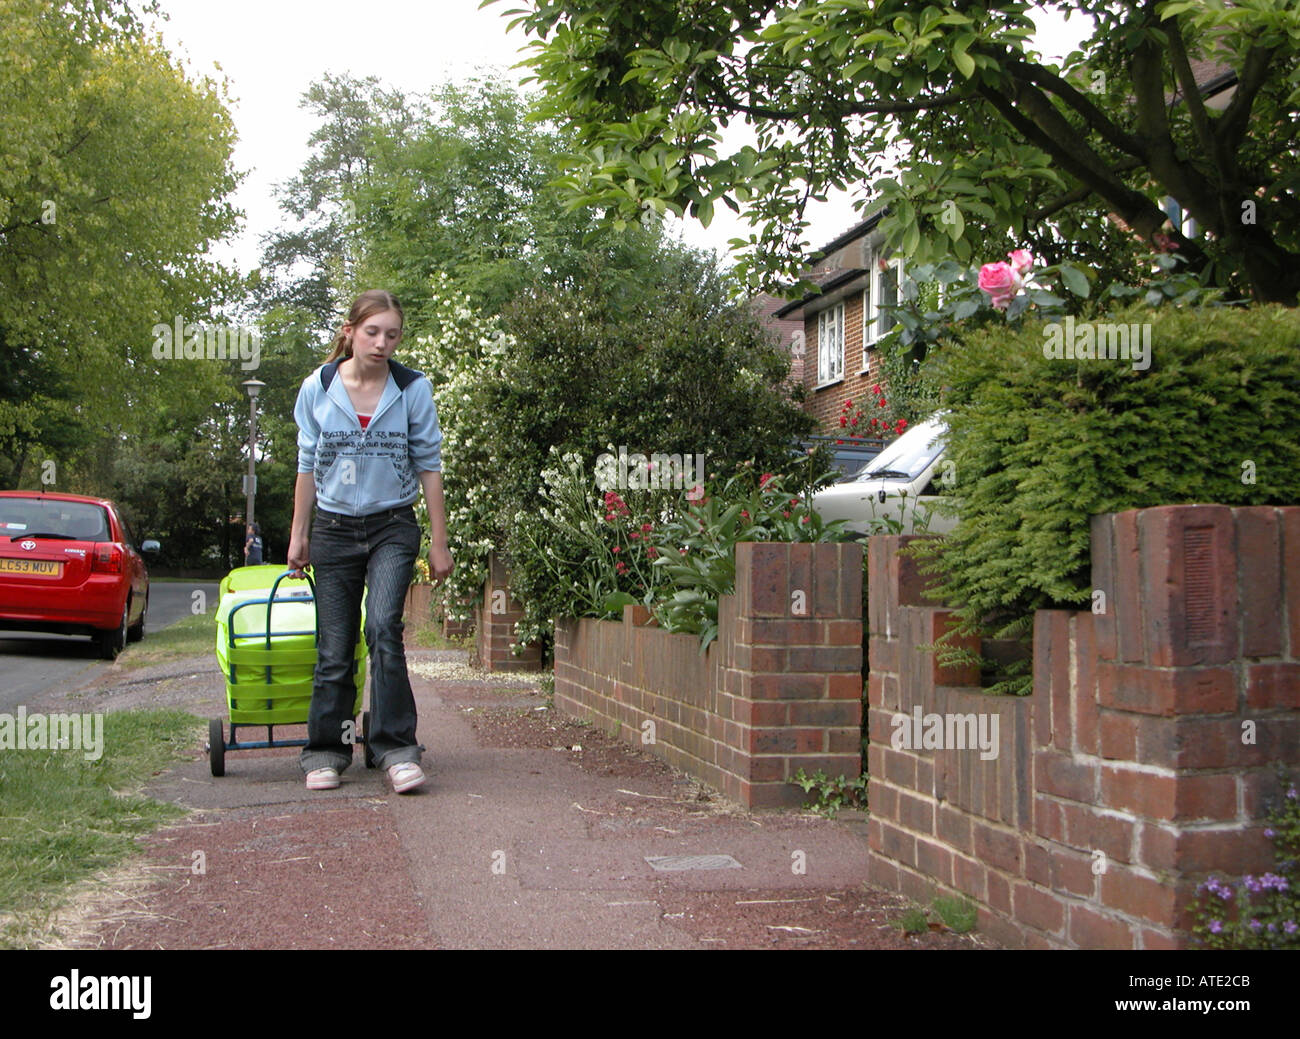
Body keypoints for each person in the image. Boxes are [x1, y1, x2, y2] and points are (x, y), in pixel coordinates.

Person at [287, 289, 454, 794]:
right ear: (350, 331)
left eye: (392, 334)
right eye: (372, 331)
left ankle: (395, 749)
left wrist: (439, 542)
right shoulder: (317, 388)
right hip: (333, 532)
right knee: (335, 647)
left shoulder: (412, 389)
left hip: (391, 527)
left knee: (383, 627)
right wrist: (298, 536)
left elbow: (429, 465)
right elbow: (305, 466)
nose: (382, 343)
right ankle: (326, 751)